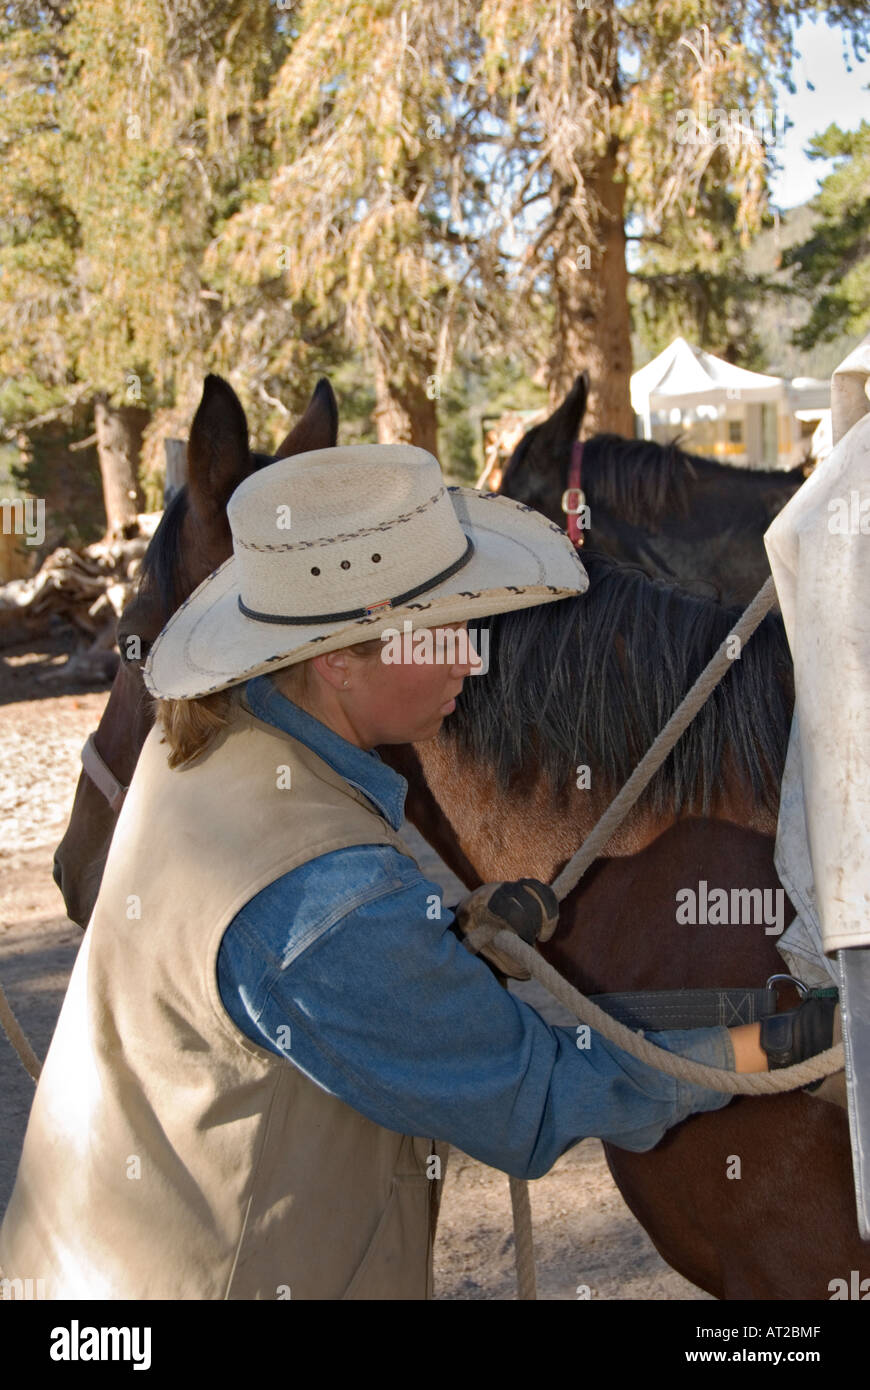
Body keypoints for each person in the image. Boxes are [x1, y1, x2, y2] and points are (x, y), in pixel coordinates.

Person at [0, 443, 836, 1300]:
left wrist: (448, 950)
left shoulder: (212, 752)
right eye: (447, 631)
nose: (473, 660)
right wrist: (752, 1048)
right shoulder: (323, 896)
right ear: (337, 659)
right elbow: (531, 1099)